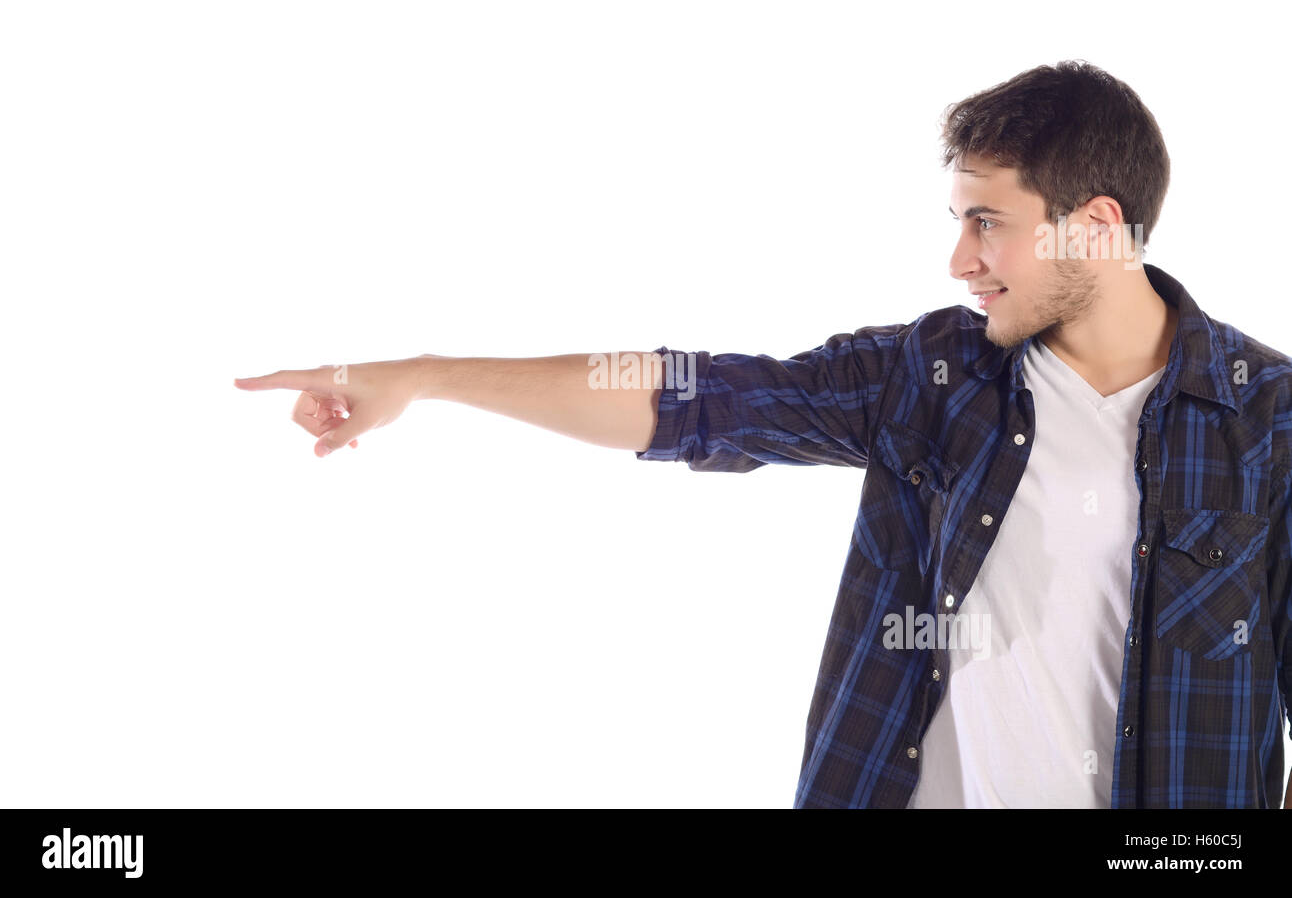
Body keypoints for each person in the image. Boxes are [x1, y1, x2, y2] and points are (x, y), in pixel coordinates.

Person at [236, 60, 1292, 809]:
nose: (959, 261)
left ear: (1094, 226)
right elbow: (695, 397)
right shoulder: (929, 376)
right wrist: (424, 376)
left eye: (986, 220)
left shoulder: (1270, 422)